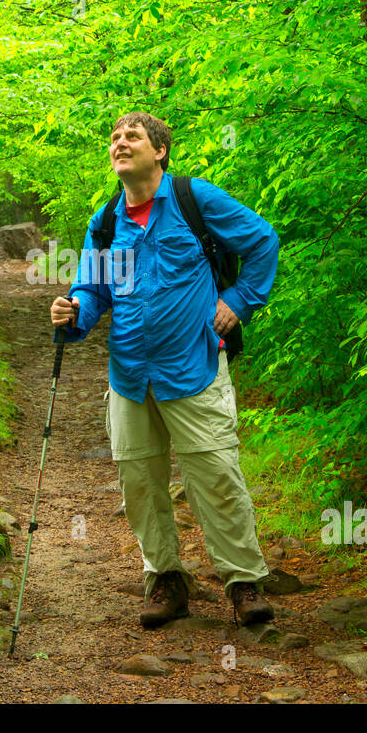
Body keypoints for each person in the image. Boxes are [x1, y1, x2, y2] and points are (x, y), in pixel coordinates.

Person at [49, 112, 281, 628]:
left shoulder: (195, 200)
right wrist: (71, 315)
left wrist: (239, 300)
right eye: (113, 137)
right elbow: (94, 291)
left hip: (193, 365)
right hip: (129, 374)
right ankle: (166, 579)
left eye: (132, 136)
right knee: (141, 484)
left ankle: (243, 582)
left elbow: (263, 241)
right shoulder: (105, 221)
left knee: (216, 476)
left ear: (160, 152)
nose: (119, 142)